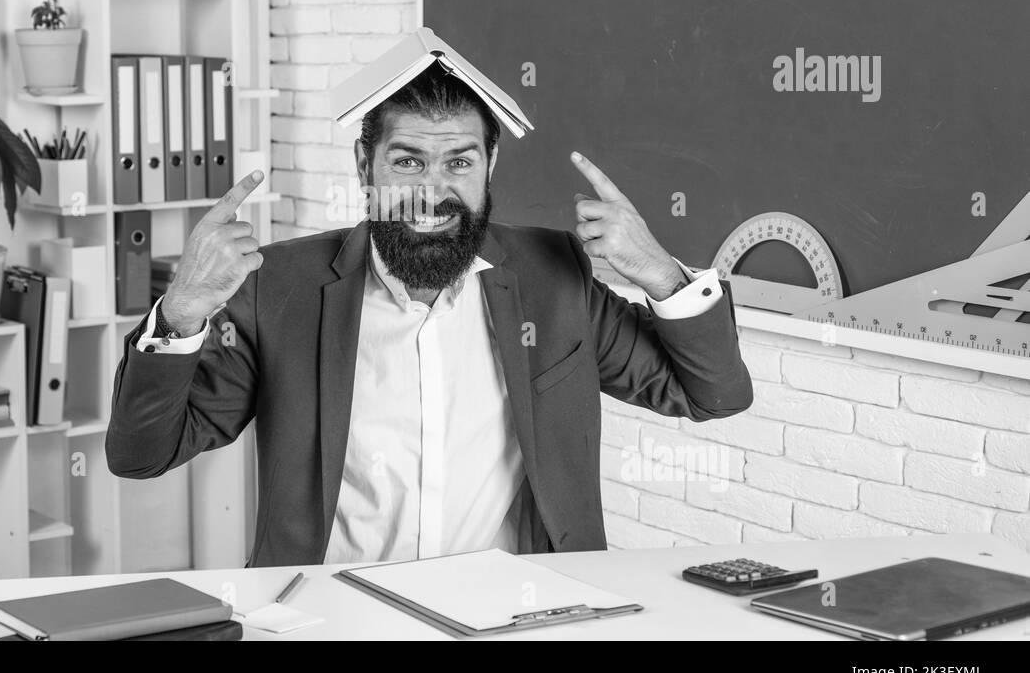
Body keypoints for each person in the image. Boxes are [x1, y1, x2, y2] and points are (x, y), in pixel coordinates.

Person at [108, 65, 752, 566]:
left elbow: (714, 396)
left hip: (519, 616)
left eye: (459, 162)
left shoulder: (553, 278)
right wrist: (184, 308)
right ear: (365, 165)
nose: (431, 191)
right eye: (408, 161)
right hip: (336, 619)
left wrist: (660, 274)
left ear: (489, 165)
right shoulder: (281, 289)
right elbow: (141, 455)